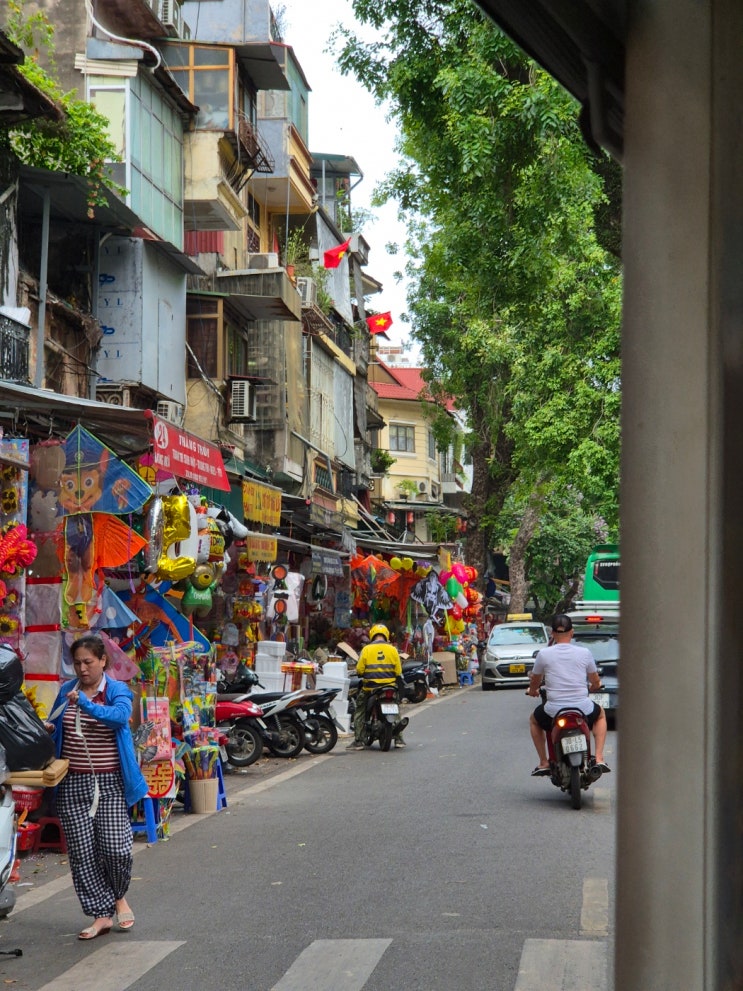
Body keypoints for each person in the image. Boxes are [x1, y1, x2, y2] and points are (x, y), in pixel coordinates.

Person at [46, 634, 148, 940]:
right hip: (72, 783)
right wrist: (49, 729)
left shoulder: (117, 690)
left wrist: (87, 705)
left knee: (116, 849)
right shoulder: (67, 690)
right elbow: (55, 726)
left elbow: (119, 719)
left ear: (103, 661)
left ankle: (118, 896)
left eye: (88, 662)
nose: (82, 668)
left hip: (109, 783)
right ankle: (101, 914)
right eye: (77, 663)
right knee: (81, 853)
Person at [526, 614, 610, 776]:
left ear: (552, 633)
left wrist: (532, 691)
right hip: (582, 708)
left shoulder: (544, 654)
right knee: (600, 715)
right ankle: (599, 758)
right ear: (572, 632)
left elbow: (535, 680)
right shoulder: (584, 653)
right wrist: (595, 686)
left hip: (553, 710)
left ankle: (544, 762)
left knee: (534, 720)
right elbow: (594, 679)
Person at [347, 624, 407, 750]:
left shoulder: (367, 649)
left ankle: (359, 740)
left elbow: (359, 669)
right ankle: (399, 739)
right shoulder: (393, 650)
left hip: (370, 688)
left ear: (372, 635)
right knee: (395, 707)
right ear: (386, 635)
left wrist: (362, 673)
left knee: (360, 709)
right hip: (390, 687)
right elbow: (398, 671)